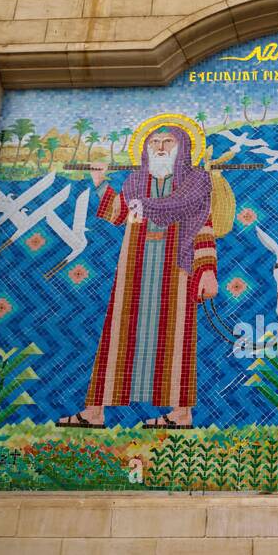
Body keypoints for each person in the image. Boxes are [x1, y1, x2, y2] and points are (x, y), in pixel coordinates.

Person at [57, 125, 218, 429]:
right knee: (118, 336)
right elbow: (118, 214)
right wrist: (100, 181)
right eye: (154, 143)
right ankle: (94, 412)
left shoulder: (195, 184)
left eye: (167, 142)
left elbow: (203, 227)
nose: (159, 148)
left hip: (176, 271)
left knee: (176, 340)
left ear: (182, 147)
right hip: (136, 269)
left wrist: (207, 270)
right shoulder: (135, 182)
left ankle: (181, 414)